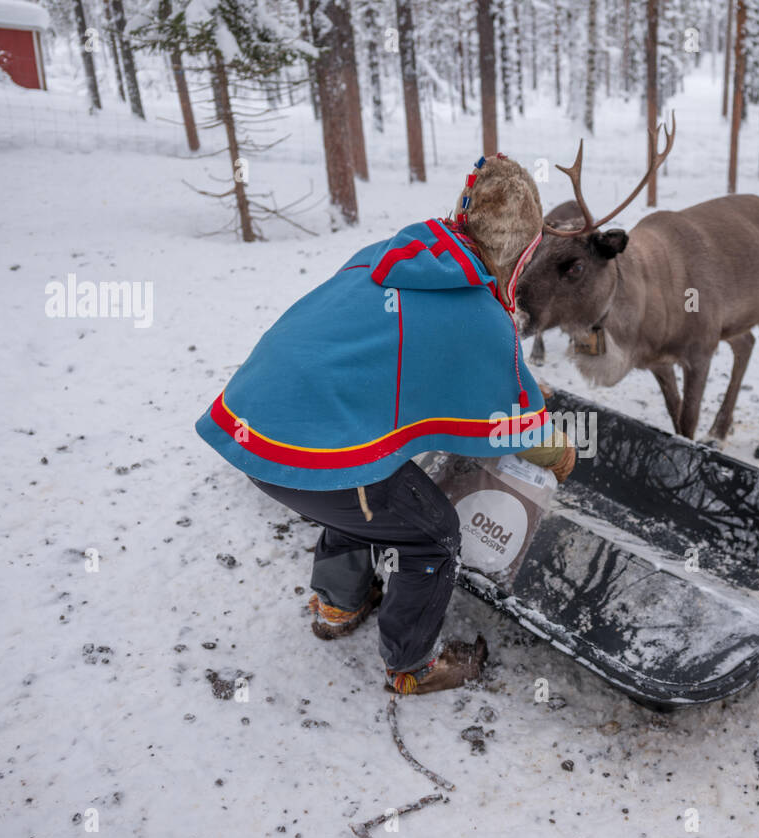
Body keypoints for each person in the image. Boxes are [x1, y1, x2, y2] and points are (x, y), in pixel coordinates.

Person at [196, 154, 574, 695]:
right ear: (521, 251)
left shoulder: (400, 252)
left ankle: (337, 604)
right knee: (434, 533)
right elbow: (514, 421)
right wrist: (560, 454)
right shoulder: (475, 312)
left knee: (364, 480)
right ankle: (412, 664)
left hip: (256, 423)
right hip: (306, 448)